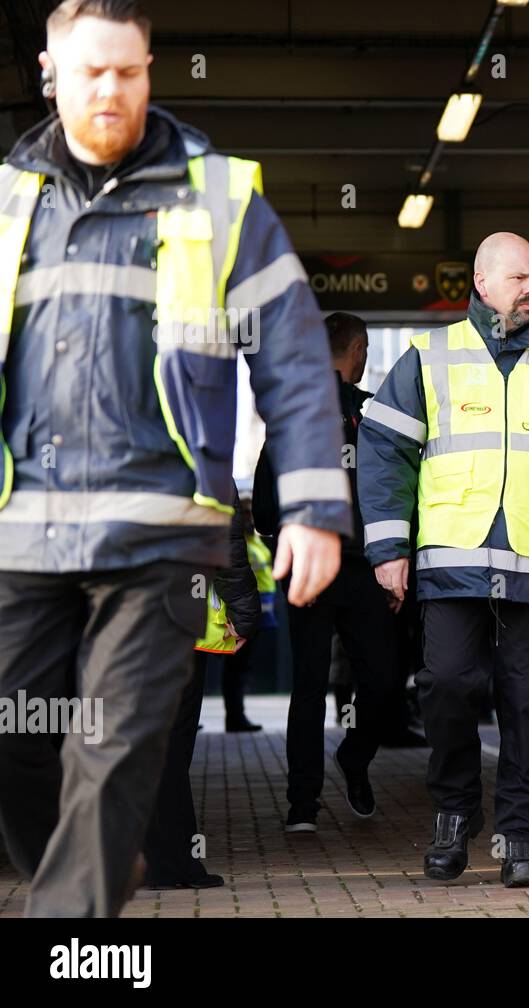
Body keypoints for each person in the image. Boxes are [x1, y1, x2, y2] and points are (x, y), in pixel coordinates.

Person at [0, 0, 346, 918]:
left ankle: (72, 926)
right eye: (89, 73)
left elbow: (294, 356)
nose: (110, 90)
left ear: (152, 69)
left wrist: (312, 506)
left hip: (163, 530)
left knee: (115, 743)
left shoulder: (219, 196)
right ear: (50, 72)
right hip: (21, 529)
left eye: (128, 71)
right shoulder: (6, 199)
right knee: (13, 735)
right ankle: (78, 872)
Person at [359, 232, 529, 888]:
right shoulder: (428, 358)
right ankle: (454, 814)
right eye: (518, 278)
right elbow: (382, 455)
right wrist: (387, 548)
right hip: (451, 562)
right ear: (482, 282)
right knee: (447, 684)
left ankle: (519, 834)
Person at [255, 311, 404, 831]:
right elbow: (268, 505)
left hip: (365, 570)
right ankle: (303, 804)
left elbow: (265, 509)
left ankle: (354, 758)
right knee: (311, 685)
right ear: (358, 349)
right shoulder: (299, 415)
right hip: (317, 570)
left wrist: (392, 560)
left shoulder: (373, 415)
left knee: (383, 681)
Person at [143, 493, 261, 889]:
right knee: (172, 744)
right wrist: (244, 610)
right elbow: (224, 535)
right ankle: (171, 864)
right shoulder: (200, 434)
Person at [219, 488, 271, 733]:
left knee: (243, 668)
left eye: (251, 513)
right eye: (246, 513)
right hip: (239, 611)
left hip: (259, 611)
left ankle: (237, 715)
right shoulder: (237, 541)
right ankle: (235, 717)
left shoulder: (254, 541)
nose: (249, 518)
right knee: (236, 668)